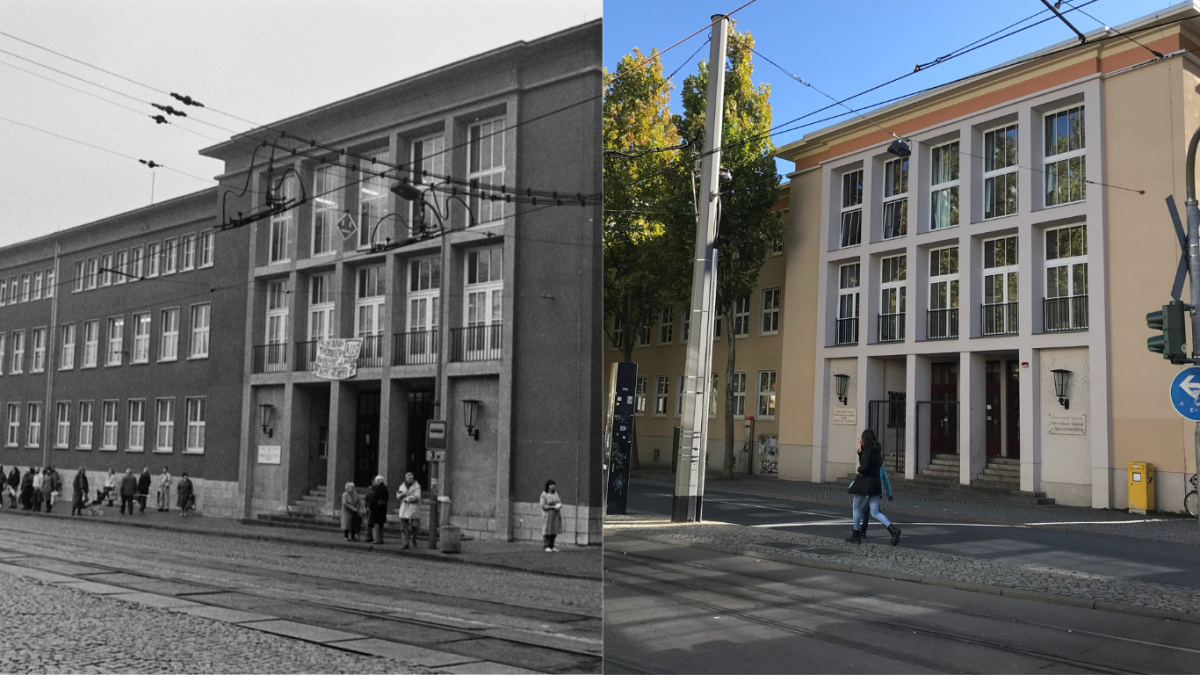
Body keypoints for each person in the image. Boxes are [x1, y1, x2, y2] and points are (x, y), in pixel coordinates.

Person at [846, 430, 901, 546]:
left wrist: (860, 461)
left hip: (865, 483)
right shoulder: (877, 451)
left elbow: (864, 466)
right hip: (876, 483)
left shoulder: (868, 451)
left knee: (856, 506)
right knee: (875, 511)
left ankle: (856, 534)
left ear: (865, 439)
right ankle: (892, 529)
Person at [860, 461, 894, 539]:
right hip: (879, 492)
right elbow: (886, 479)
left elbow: (862, 478)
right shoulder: (880, 465)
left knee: (867, 510)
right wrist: (889, 493)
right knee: (876, 512)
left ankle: (863, 531)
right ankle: (892, 530)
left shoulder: (870, 464)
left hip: (874, 491)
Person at [395, 472, 421, 549]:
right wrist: (402, 495)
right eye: (409, 478)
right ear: (406, 478)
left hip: (414, 509)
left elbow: (417, 497)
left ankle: (413, 539)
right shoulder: (402, 486)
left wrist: (407, 499)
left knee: (414, 526)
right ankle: (405, 543)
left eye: (412, 478)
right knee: (404, 527)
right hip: (404, 509)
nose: (411, 480)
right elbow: (398, 495)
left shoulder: (417, 486)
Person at [364, 475, 389, 544]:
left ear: (377, 481)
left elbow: (374, 498)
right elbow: (387, 498)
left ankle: (376, 539)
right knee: (381, 525)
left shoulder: (377, 488)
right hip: (383, 508)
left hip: (376, 509)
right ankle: (381, 539)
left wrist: (370, 506)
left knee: (376, 524)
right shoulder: (385, 488)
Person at [540, 479, 563, 552]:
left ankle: (552, 545)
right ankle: (546, 545)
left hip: (555, 514)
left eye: (554, 485)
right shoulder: (544, 494)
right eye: (551, 485)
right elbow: (543, 506)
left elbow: (559, 501)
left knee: (554, 530)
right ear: (548, 486)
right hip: (548, 514)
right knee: (547, 530)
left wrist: (559, 505)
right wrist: (552, 507)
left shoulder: (555, 493)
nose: (553, 486)